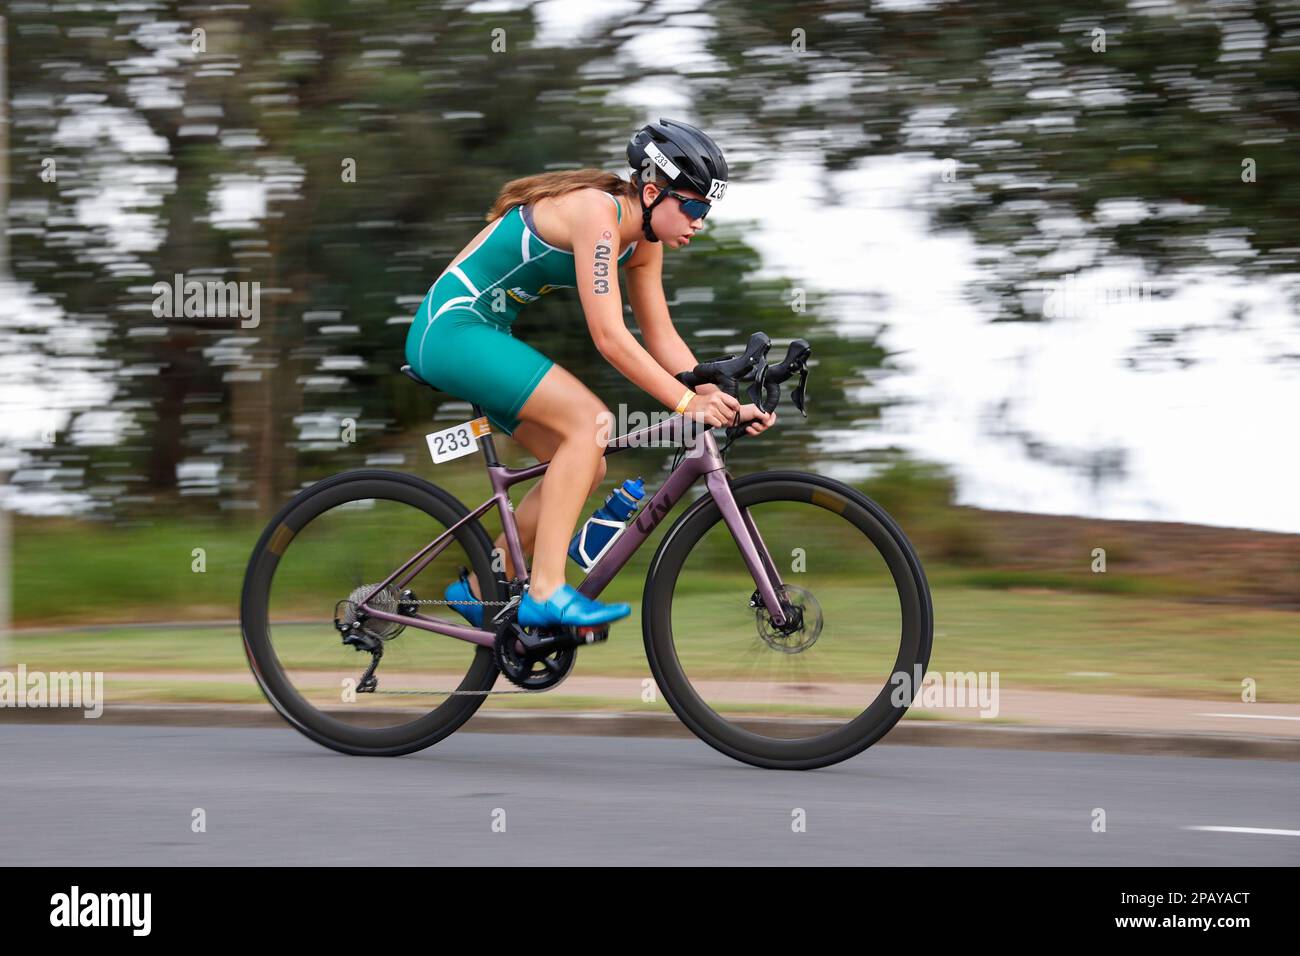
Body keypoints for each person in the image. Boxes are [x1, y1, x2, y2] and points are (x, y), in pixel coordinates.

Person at [404, 118, 776, 631]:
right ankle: (548, 591)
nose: (699, 221)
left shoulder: (641, 240)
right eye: (692, 206)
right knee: (592, 424)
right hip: (451, 330)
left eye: (706, 209)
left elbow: (661, 337)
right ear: (652, 191)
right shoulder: (595, 214)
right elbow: (610, 337)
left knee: (582, 462)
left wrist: (718, 396)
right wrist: (686, 405)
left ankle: (480, 587)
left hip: (484, 335)